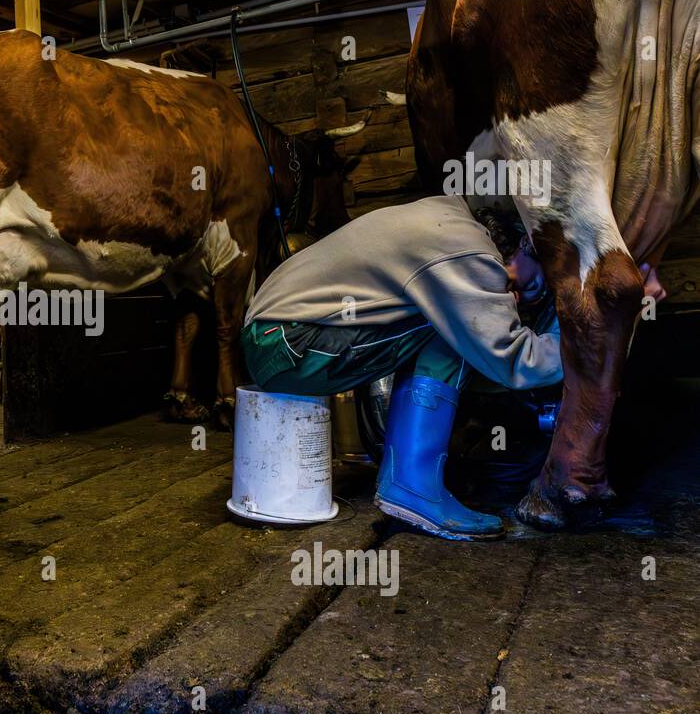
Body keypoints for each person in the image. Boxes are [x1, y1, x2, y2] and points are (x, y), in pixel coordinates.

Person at [241, 194, 665, 541]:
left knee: (459, 332)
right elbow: (519, 363)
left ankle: (409, 477)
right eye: (534, 282)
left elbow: (491, 366)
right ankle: (411, 486)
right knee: (452, 333)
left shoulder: (450, 221)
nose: (522, 295)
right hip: (288, 344)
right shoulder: (468, 255)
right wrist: (578, 321)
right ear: (525, 242)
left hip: (279, 339)